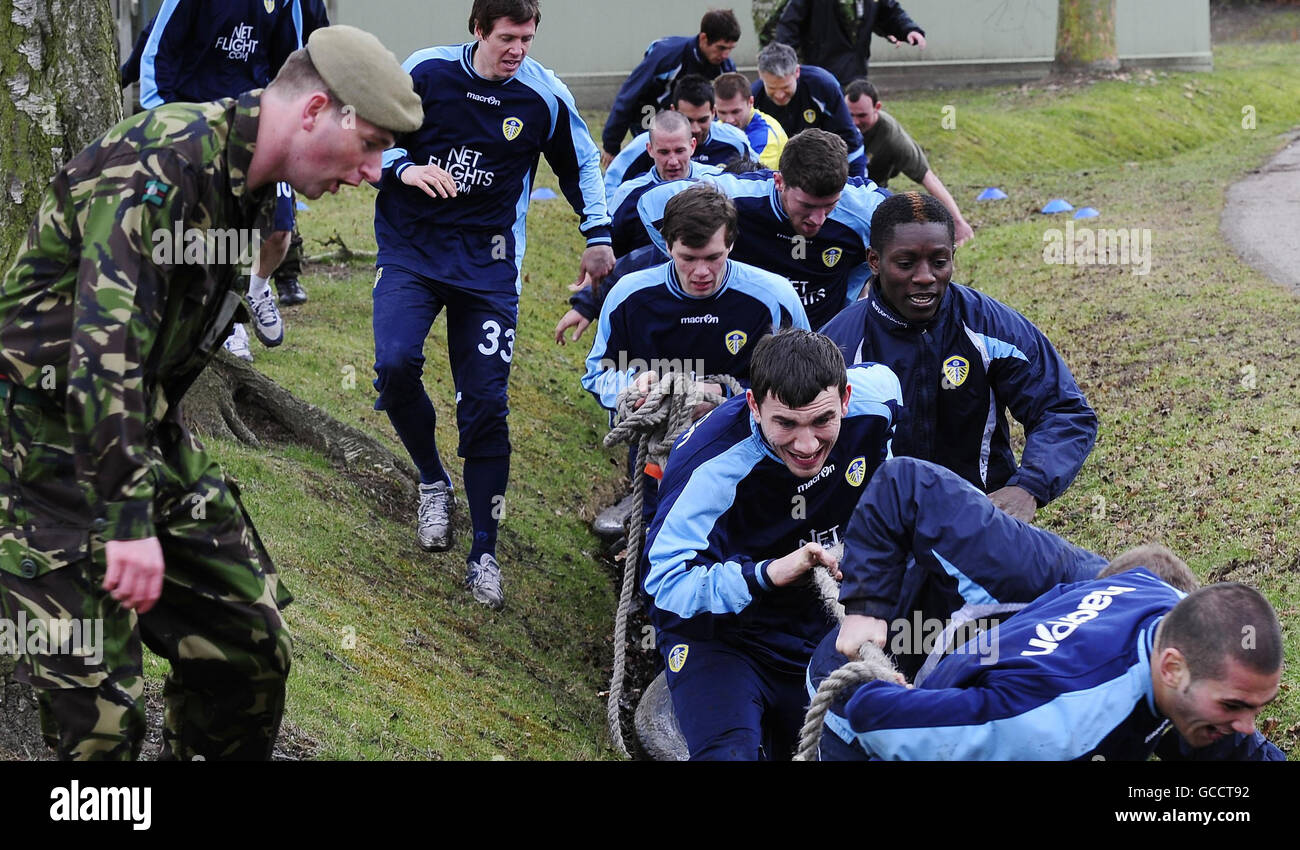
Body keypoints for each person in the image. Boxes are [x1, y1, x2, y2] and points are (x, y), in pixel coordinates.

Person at [0, 26, 422, 760]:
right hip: (39, 450)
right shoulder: (162, 163)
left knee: (247, 645)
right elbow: (105, 353)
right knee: (100, 731)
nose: (374, 171)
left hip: (137, 430)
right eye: (371, 145)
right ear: (317, 109)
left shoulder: (250, 186)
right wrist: (130, 524)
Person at [372, 0, 614, 610]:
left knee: (484, 404)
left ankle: (484, 550)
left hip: (488, 268)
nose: (518, 51)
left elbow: (581, 159)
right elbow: (373, 135)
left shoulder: (542, 95)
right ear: (478, 30)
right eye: (507, 38)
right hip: (412, 252)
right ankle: (432, 480)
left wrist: (599, 233)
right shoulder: (424, 72)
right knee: (395, 364)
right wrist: (406, 168)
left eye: (527, 39)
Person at [643, 329, 902, 760]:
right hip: (725, 637)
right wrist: (767, 573)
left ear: (846, 399)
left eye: (822, 420)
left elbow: (892, 458)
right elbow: (663, 587)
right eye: (785, 423)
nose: (806, 445)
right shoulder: (708, 466)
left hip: (827, 628)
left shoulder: (879, 399)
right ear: (754, 406)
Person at [819, 192, 1097, 522]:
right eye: (905, 264)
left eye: (939, 262)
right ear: (874, 261)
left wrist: (1028, 486)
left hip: (979, 524)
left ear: (953, 256)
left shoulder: (991, 327)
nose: (925, 277)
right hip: (879, 534)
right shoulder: (838, 346)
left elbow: (1063, 410)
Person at [829, 573, 1285, 760]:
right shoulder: (1056, 720)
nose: (1248, 726)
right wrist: (905, 697)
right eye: (1233, 705)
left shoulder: (1157, 598)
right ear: (1171, 668)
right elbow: (874, 715)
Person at [135, 0, 307, 362]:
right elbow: (156, 57)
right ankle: (227, 321)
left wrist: (290, 123)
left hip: (257, 120)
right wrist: (167, 125)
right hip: (198, 123)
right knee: (217, 232)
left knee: (279, 231)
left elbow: (292, 67)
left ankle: (257, 290)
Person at [584, 185, 809, 412]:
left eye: (713, 257)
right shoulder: (628, 295)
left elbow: (805, 378)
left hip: (743, 436)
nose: (701, 271)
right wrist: (633, 387)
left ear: (730, 244)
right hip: (656, 436)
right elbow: (597, 375)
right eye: (688, 258)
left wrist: (725, 393)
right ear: (668, 246)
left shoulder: (776, 297)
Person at [633, 129, 888, 329]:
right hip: (743, 333)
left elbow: (912, 224)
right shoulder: (737, 195)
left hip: (824, 339)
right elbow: (651, 204)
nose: (817, 219)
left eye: (829, 206)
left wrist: (854, 286)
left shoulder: (862, 207)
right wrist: (696, 261)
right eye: (806, 206)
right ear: (779, 181)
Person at [600, 9, 742, 167]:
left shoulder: (725, 67)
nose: (725, 55)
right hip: (649, 112)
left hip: (690, 117)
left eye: (730, 49)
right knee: (660, 158)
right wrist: (611, 146)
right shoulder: (666, 56)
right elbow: (628, 95)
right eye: (721, 48)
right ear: (703, 38)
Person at [844, 79, 973, 245]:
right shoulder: (836, 124)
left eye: (862, 115)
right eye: (850, 115)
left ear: (877, 108)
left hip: (870, 199)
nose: (854, 122)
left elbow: (928, 178)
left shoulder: (892, 136)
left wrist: (958, 222)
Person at [603, 74, 753, 196]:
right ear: (673, 110)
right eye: (688, 120)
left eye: (702, 120)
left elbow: (751, 179)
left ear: (713, 112)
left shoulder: (736, 141)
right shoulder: (647, 143)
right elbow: (612, 183)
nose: (695, 128)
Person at [607, 111, 722, 258]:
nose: (673, 161)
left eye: (680, 151)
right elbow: (609, 254)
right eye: (664, 152)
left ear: (692, 146)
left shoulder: (716, 183)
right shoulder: (628, 195)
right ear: (650, 150)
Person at [751, 42, 865, 179]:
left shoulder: (823, 86)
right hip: (780, 169)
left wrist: (857, 181)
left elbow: (848, 137)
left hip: (824, 163)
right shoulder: (754, 97)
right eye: (772, 88)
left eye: (785, 87)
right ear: (760, 75)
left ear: (797, 72)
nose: (779, 95)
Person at [773, 0, 926, 86]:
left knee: (854, 124)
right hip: (821, 70)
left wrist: (909, 30)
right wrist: (785, 63)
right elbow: (789, 24)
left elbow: (890, 12)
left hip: (856, 71)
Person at [712, 71, 788, 171]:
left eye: (735, 112)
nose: (729, 120)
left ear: (750, 102)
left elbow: (749, 179)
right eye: (722, 112)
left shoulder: (767, 136)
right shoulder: (715, 125)